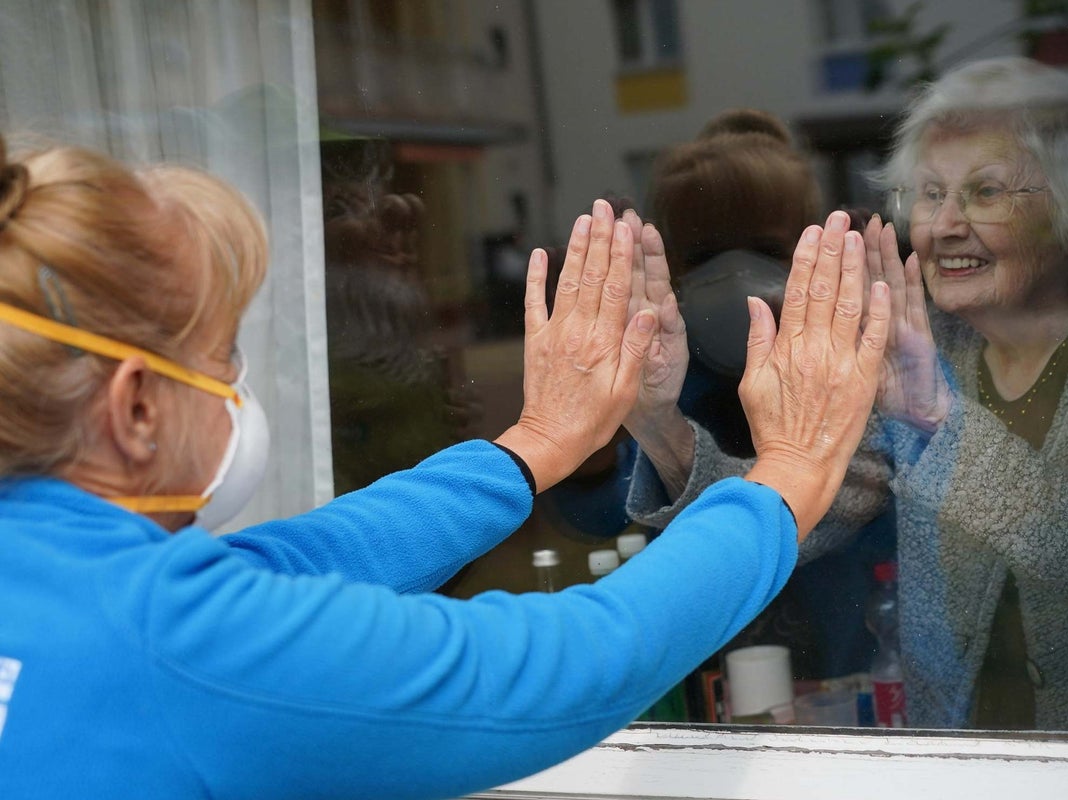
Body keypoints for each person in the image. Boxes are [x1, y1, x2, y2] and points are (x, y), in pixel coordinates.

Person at [0, 135, 889, 798]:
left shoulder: (51, 571)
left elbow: (306, 558)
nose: (237, 385)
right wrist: (793, 473)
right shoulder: (175, 635)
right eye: (222, 357)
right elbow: (571, 664)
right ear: (136, 409)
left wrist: (539, 442)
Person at [624, 56, 1068, 732]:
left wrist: (943, 424)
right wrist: (660, 429)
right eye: (931, 194)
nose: (945, 224)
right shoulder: (928, 349)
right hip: (954, 763)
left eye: (986, 192)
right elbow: (804, 510)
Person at [635, 108, 896, 682]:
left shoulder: (861, 376)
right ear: (674, 264)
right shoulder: (666, 377)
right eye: (706, 256)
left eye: (763, 249)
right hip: (712, 686)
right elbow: (606, 511)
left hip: (850, 675)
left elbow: (838, 509)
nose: (734, 275)